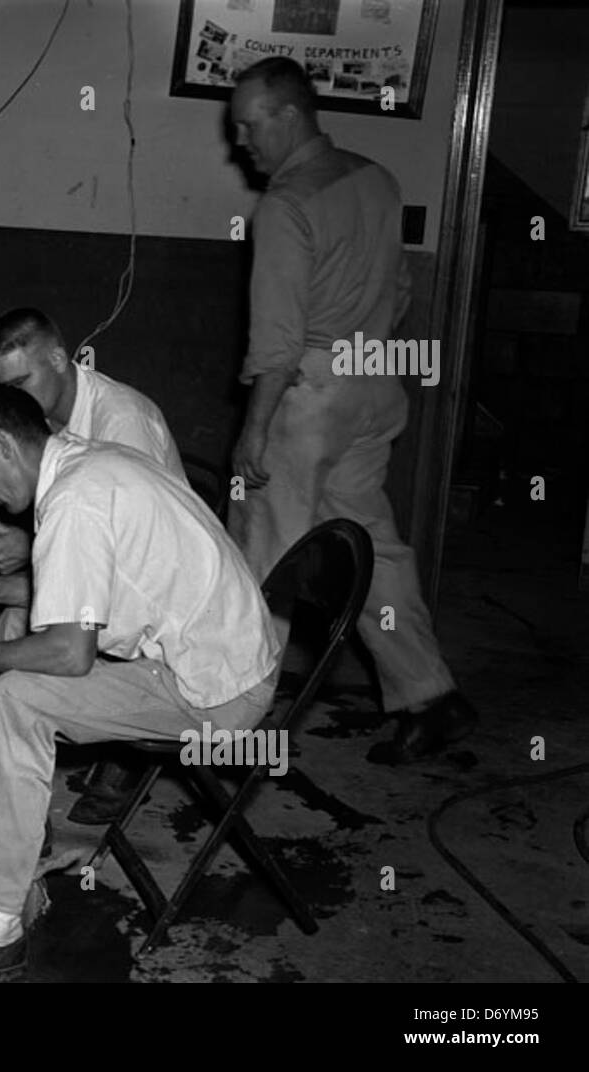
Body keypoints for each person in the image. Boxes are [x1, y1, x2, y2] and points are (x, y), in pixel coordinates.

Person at [0, 384, 279, 982]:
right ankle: (4, 859)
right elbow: (90, 594)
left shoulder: (74, 500)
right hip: (230, 654)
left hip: (215, 693)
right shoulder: (90, 462)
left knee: (18, 698)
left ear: (1, 446)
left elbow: (69, 653)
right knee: (17, 650)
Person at [226, 57, 475, 764]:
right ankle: (429, 695)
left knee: (261, 558)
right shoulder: (376, 179)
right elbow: (398, 289)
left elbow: (275, 338)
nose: (241, 140)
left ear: (288, 115)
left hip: (308, 399)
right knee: (374, 551)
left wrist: (255, 426)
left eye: (248, 124)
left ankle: (234, 720)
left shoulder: (285, 203)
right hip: (374, 378)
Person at [0, 307, 186, 625]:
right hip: (58, 547)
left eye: (20, 382)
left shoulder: (121, 420)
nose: (9, 398)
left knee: (17, 620)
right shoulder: (26, 417)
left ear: (57, 359)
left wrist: (31, 549)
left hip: (134, 591)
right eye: (1, 390)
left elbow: (131, 556)